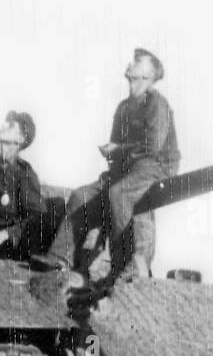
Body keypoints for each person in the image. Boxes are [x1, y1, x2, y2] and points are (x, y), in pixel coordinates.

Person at [34, 48, 180, 282]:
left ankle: (131, 262)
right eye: (129, 76)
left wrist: (118, 150)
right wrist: (113, 152)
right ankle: (61, 257)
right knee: (82, 195)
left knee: (119, 195)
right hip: (127, 168)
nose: (130, 75)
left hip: (157, 166)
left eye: (135, 72)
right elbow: (117, 148)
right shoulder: (123, 107)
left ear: (148, 78)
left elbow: (152, 147)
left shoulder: (157, 105)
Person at [0, 110, 50, 259]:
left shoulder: (24, 175)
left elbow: (37, 217)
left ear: (20, 141)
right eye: (2, 143)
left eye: (9, 144)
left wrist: (6, 234)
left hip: (5, 249)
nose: (4, 148)